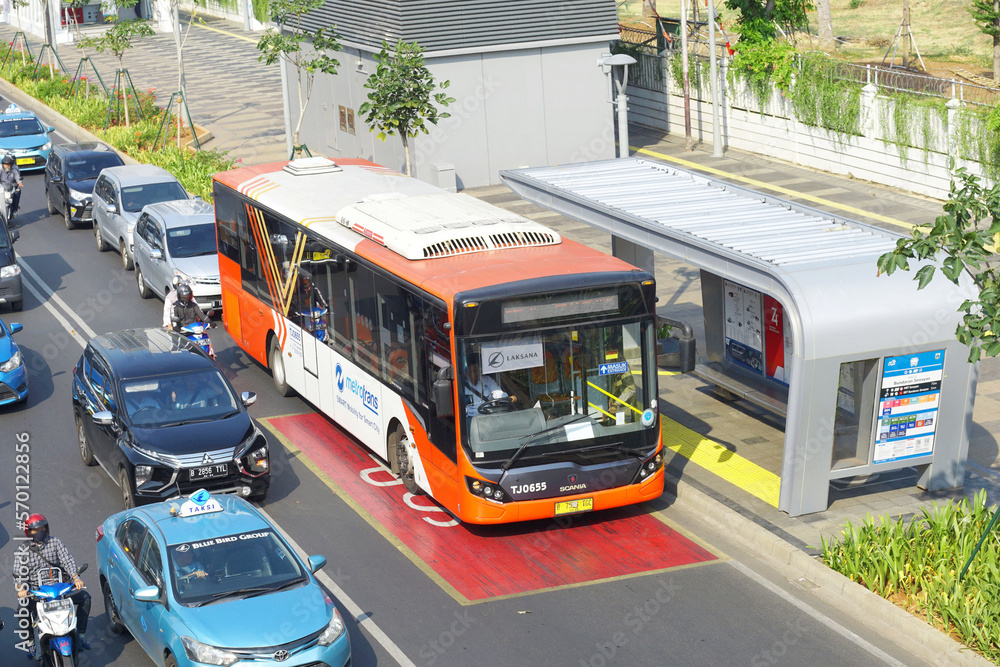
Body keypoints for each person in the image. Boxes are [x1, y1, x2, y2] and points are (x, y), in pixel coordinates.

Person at [14, 514, 91, 652]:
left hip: (59, 589)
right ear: (29, 531)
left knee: (85, 598)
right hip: (37, 593)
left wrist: (75, 577)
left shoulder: (55, 542)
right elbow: (19, 574)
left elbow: (67, 560)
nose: (39, 532)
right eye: (35, 530)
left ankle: (80, 635)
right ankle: (31, 642)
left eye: (42, 528)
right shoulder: (22, 551)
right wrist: (22, 588)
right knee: (22, 610)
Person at [0, 154, 23, 221]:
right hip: (2, 187)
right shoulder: (0, 169)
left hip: (12, 186)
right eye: (5, 164)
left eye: (8, 164)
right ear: (3, 164)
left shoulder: (14, 169)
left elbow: (17, 177)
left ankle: (15, 209)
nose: (7, 166)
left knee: (17, 193)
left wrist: (20, 182)